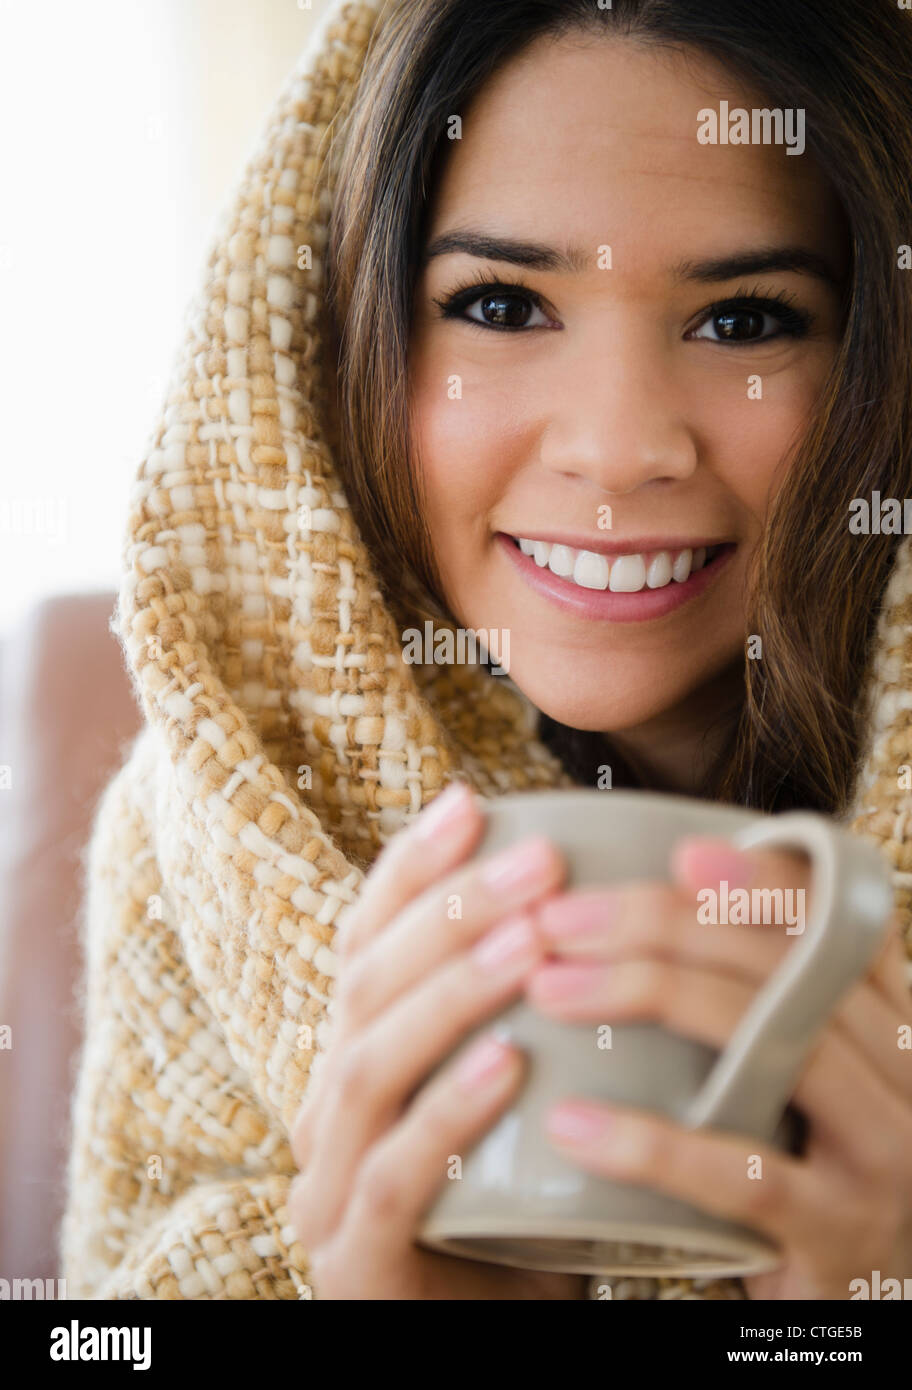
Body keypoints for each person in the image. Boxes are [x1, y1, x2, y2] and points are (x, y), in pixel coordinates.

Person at [60, 0, 912, 1300]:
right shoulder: (219, 840)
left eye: (746, 320)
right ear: (339, 343)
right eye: (502, 303)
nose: (621, 445)